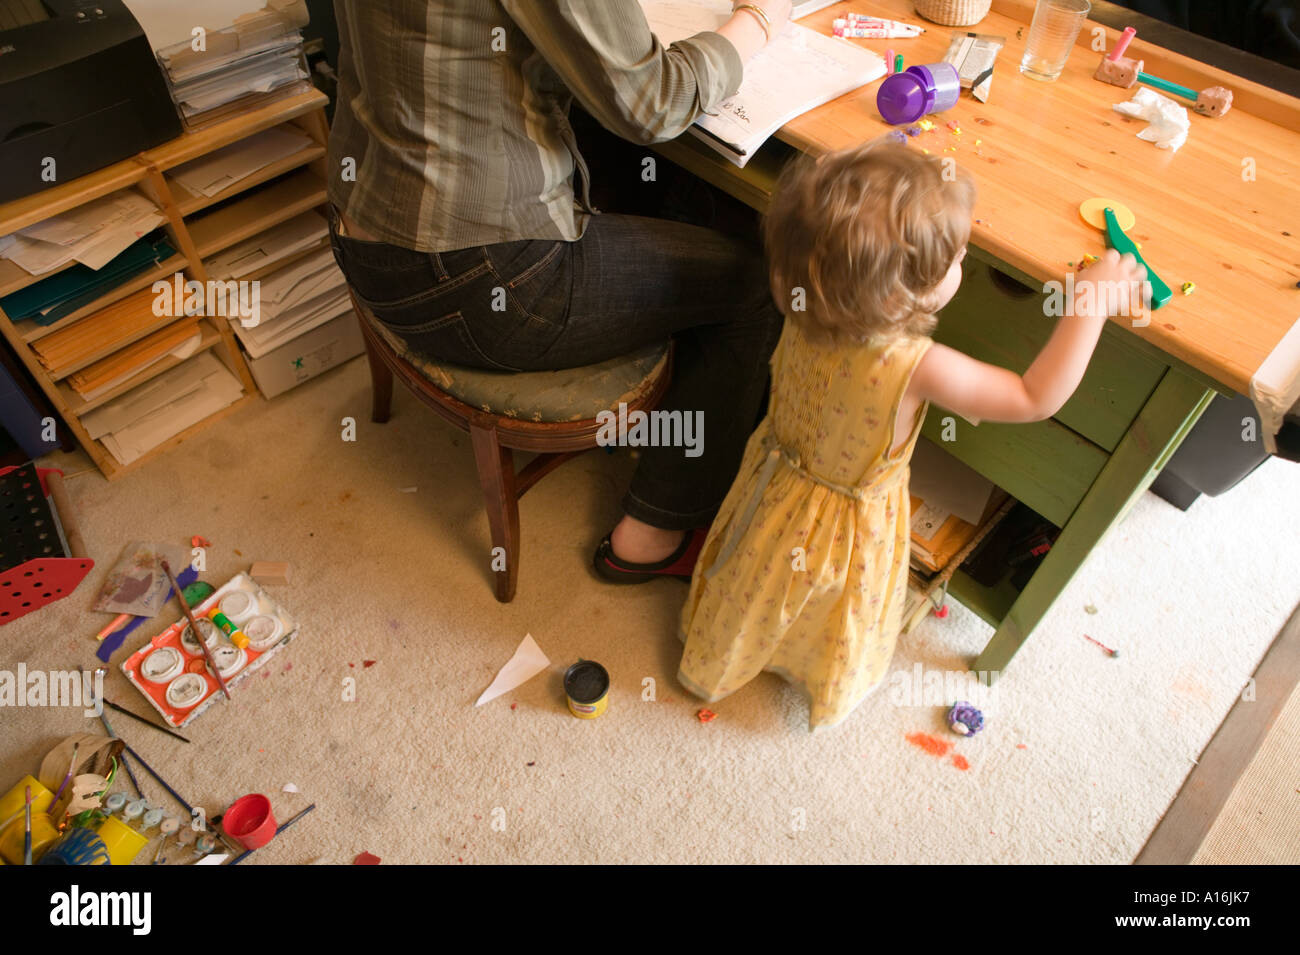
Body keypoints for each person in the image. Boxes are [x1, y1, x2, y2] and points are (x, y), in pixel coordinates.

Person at [678, 143, 1148, 731]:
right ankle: (820, 677)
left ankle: (727, 652)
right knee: (838, 607)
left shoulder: (809, 293)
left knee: (760, 576)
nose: (965, 260)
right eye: (955, 259)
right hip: (846, 522)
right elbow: (1033, 398)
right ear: (905, 295)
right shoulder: (916, 364)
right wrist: (1091, 306)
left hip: (777, 482)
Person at [326, 1, 792, 582]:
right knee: (756, 284)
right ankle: (652, 535)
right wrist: (759, 18)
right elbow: (657, 102)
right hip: (477, 281)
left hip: (361, 235)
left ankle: (667, 423)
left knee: (625, 162)